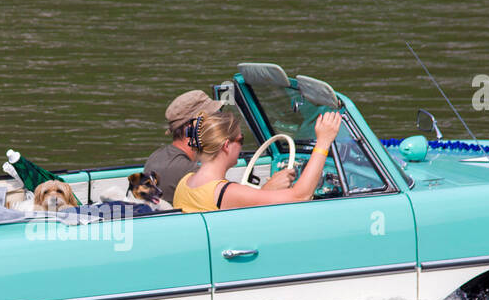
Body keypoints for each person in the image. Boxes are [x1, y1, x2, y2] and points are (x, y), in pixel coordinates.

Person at [173, 104, 342, 213]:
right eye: (240, 140)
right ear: (226, 145)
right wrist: (323, 142)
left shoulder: (185, 182)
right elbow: (300, 196)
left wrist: (266, 190)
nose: (241, 146)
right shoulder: (224, 192)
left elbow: (238, 204)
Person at [144, 90, 214, 202]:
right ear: (192, 127)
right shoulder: (190, 171)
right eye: (212, 120)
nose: (216, 126)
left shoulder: (156, 156)